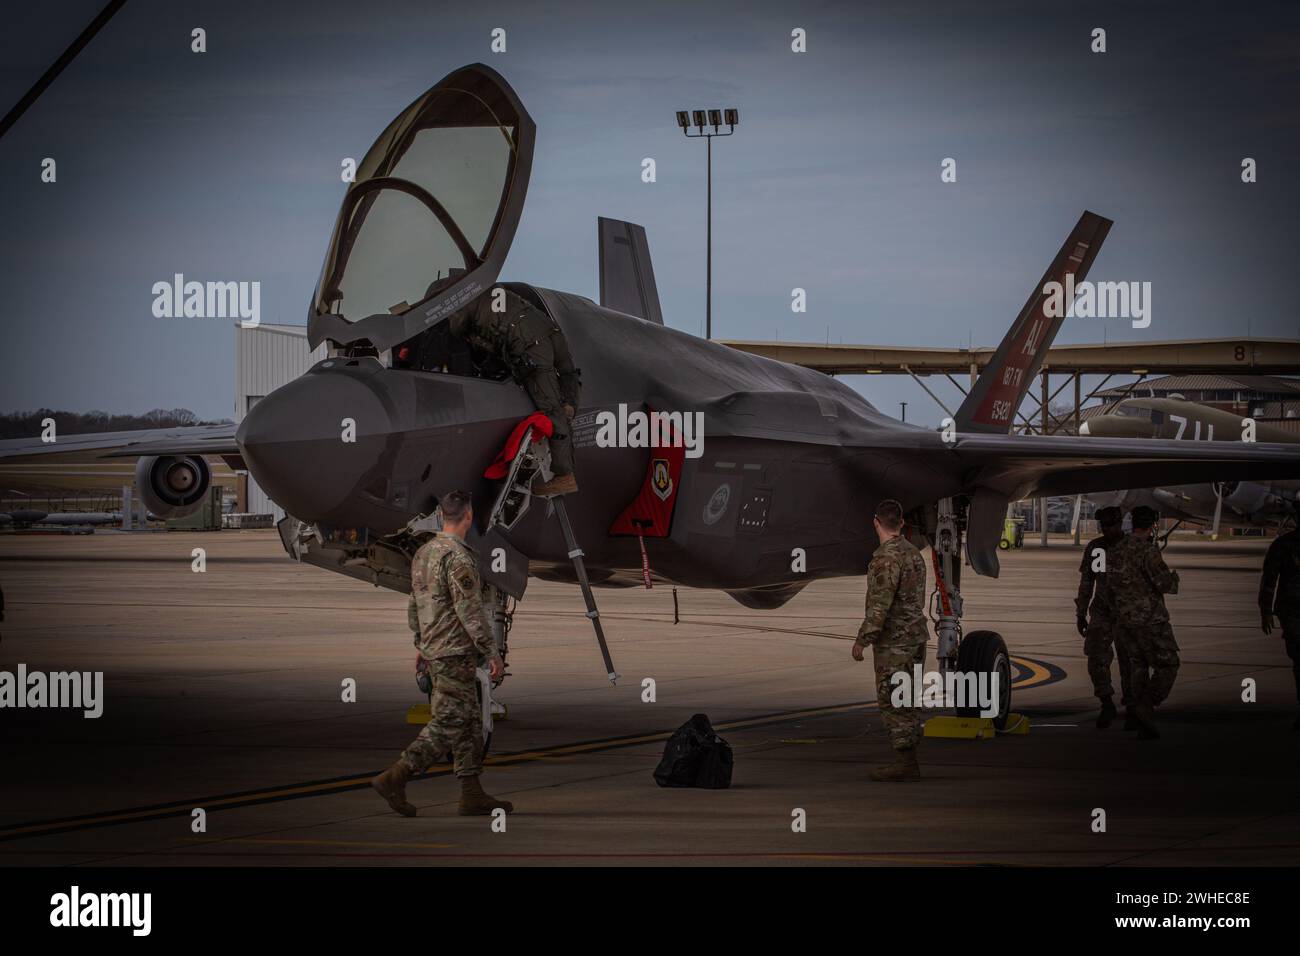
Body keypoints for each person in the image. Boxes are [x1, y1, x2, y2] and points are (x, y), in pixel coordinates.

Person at [371, 490, 514, 816]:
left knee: (468, 723)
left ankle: (471, 792)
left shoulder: (424, 554)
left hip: (435, 649)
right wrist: (492, 653)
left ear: (440, 517)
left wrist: (421, 645)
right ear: (468, 516)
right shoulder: (459, 559)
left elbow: (414, 605)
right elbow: (471, 612)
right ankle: (397, 776)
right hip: (454, 653)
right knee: (449, 721)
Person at [449, 286, 581, 496]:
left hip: (528, 340)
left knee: (549, 407)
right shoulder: (485, 289)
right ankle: (569, 406)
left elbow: (459, 330)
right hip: (547, 328)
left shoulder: (458, 304)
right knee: (567, 373)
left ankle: (564, 475)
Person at [852, 498, 929, 781]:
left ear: (875, 522)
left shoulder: (885, 558)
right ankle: (908, 759)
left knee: (893, 699)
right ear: (902, 523)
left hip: (895, 641)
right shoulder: (913, 554)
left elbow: (879, 605)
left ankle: (906, 763)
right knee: (908, 698)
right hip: (915, 636)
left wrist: (863, 639)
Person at [1107, 505, 1180, 740]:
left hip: (1125, 620)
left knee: (1138, 666)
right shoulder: (1148, 551)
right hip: (1150, 620)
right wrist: (1174, 578)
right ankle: (1146, 706)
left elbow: (1109, 585)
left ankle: (1140, 717)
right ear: (1152, 526)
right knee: (1168, 664)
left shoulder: (1116, 550)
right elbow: (1164, 584)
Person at [1074, 506, 1133, 729]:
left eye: (1110, 525)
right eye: (1103, 526)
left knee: (1130, 662)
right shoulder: (1096, 548)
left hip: (1127, 612)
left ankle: (1133, 707)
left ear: (1119, 524)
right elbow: (1086, 583)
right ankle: (1106, 701)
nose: (1106, 529)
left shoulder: (1132, 548)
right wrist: (1080, 613)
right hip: (1102, 611)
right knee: (1096, 658)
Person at [1258, 513, 1300, 731]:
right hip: (1292, 610)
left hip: (1291, 610)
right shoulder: (1283, 545)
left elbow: (1269, 580)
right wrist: (1265, 610)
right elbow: (1269, 578)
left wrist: (1265, 610)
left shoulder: (1283, 544)